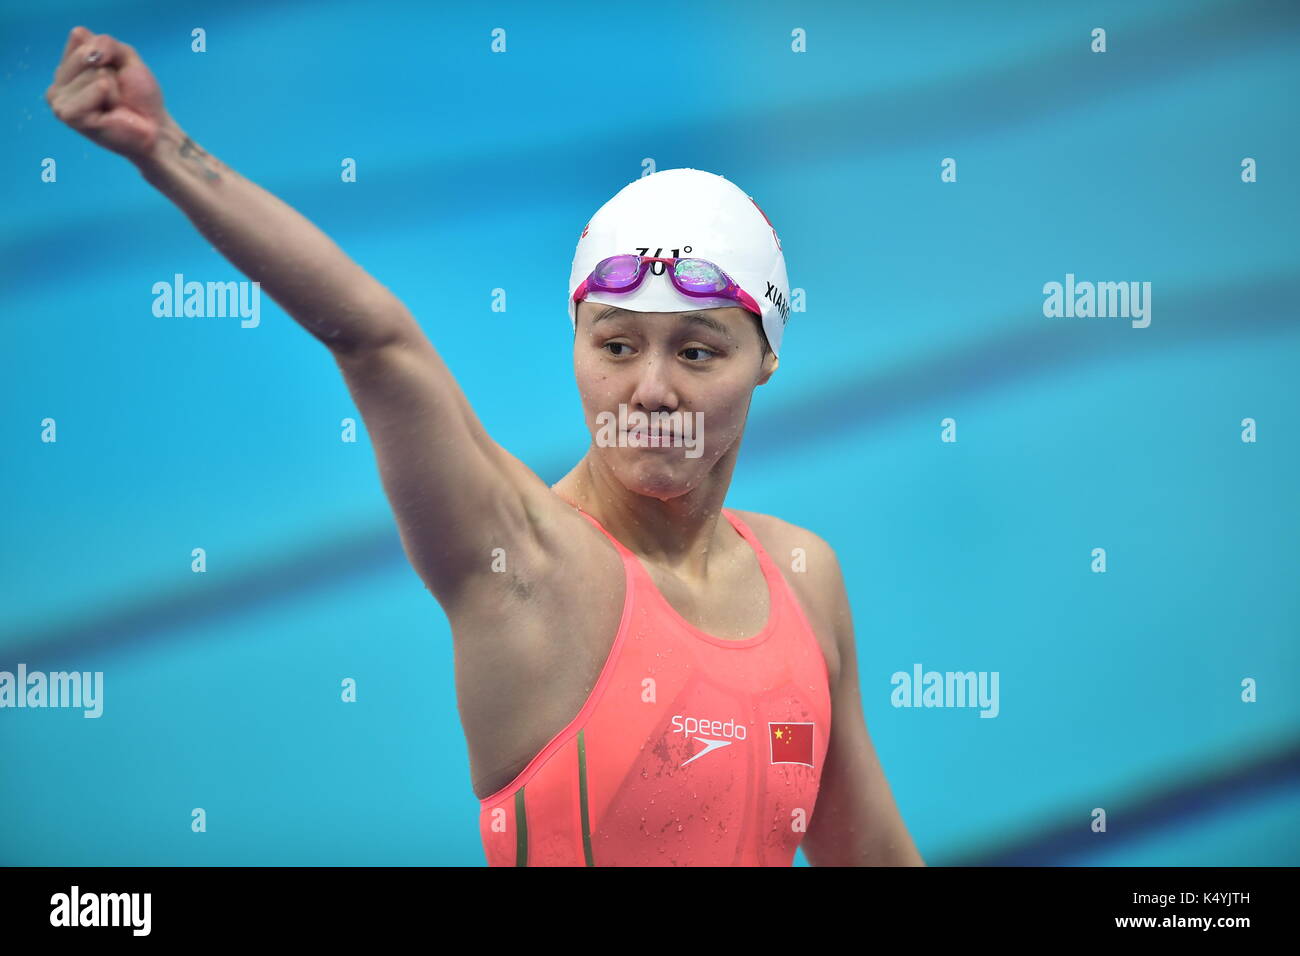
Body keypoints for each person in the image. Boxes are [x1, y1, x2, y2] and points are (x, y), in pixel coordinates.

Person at [45, 26, 925, 866]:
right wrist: (162, 146)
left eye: (697, 351)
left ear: (767, 357)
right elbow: (375, 340)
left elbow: (872, 855)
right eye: (616, 345)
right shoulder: (529, 567)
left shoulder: (804, 577)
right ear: (575, 343)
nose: (651, 389)